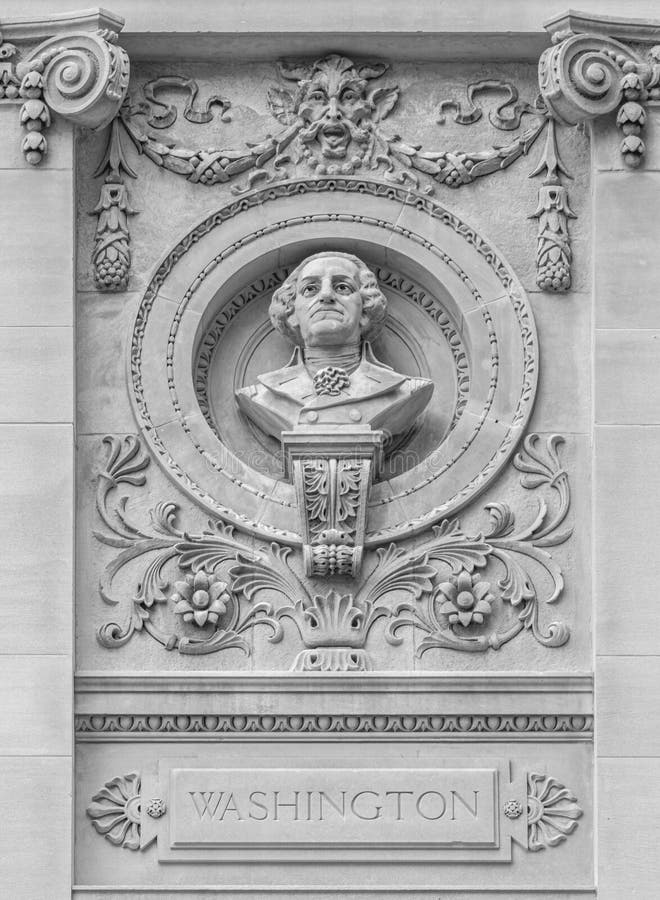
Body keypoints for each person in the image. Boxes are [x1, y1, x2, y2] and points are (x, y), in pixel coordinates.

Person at [235, 251, 433, 439]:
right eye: (310, 289)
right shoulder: (262, 396)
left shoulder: (404, 391)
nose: (326, 296)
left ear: (365, 309)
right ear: (292, 313)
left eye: (342, 287)